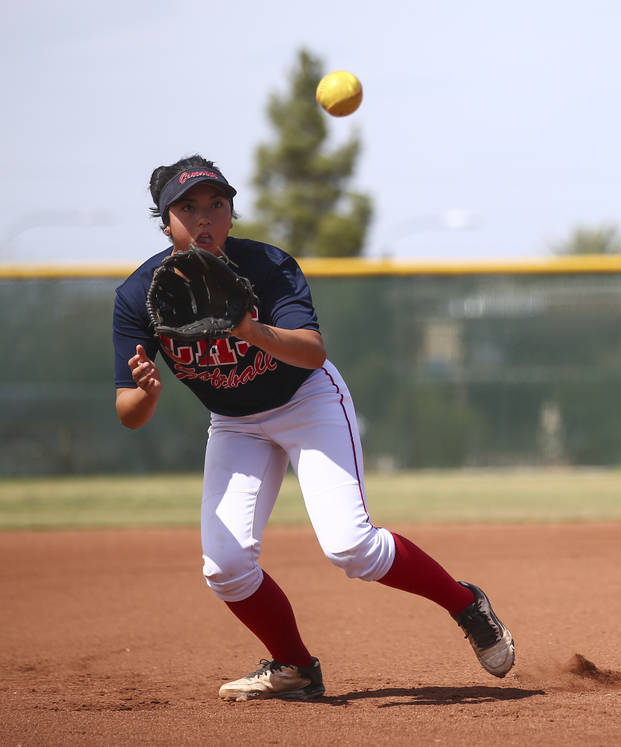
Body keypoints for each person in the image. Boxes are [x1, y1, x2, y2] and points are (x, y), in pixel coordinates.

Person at [112, 155, 514, 701]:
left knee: (352, 548)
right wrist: (147, 393)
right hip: (235, 423)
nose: (204, 218)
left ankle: (466, 605)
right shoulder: (139, 295)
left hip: (306, 400)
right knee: (225, 567)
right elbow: (129, 412)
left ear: (231, 213)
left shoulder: (268, 267)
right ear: (166, 223)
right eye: (188, 208)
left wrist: (249, 329)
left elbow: (312, 352)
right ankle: (295, 668)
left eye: (216, 204)